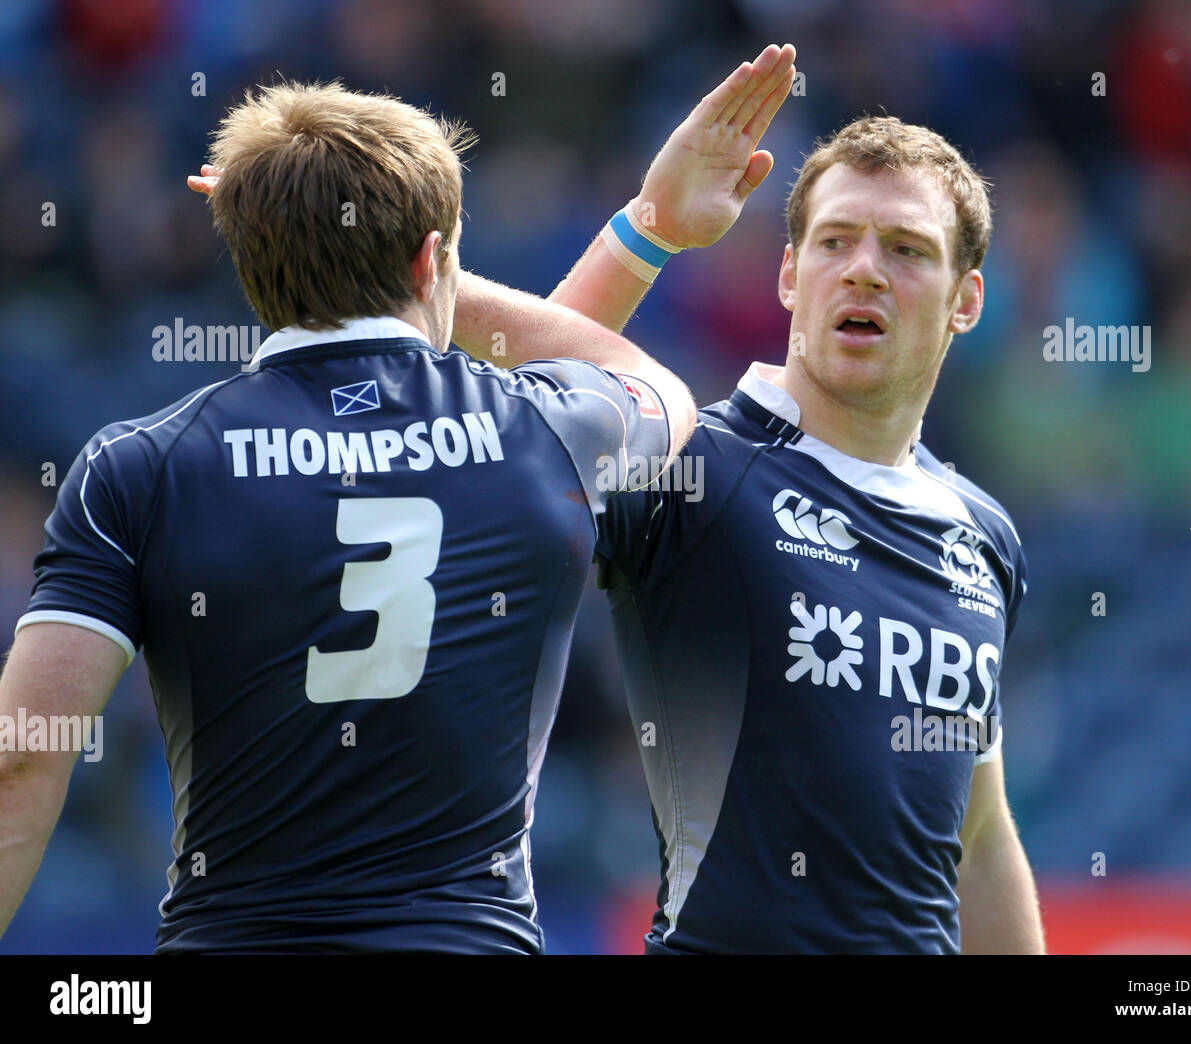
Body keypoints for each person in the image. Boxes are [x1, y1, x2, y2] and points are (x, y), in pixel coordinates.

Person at [0, 81, 695, 953]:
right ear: (428, 258)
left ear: (248, 257)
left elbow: (24, 758)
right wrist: (429, 264)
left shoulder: (140, 465)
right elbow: (655, 387)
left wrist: (307, 241)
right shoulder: (541, 428)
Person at [546, 46, 1047, 953]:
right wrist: (652, 226)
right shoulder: (693, 459)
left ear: (966, 300)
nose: (864, 270)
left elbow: (978, 833)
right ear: (789, 277)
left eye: (906, 250)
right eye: (835, 241)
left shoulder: (984, 536)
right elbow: (515, 405)